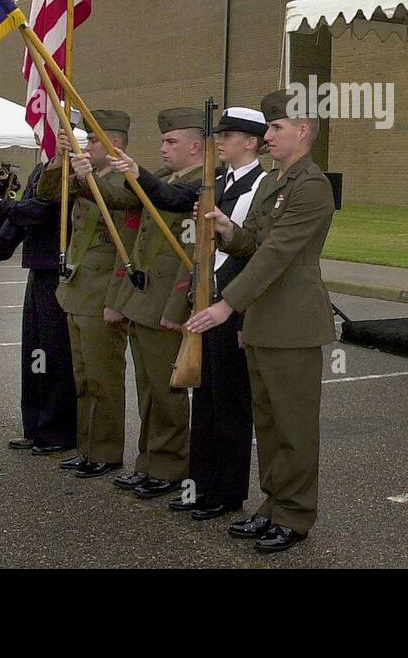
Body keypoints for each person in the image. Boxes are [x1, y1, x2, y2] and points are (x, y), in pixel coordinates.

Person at [187, 89, 335, 554]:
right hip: (265, 320)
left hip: (292, 323)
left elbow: (278, 254)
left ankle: (295, 513)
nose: (266, 136)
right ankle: (273, 505)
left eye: (275, 128)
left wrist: (227, 304)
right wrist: (229, 231)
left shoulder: (312, 185)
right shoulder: (277, 182)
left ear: (303, 130)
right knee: (268, 423)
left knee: (292, 425)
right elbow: (256, 241)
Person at [109, 106, 267, 522]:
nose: (221, 142)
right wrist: (136, 171)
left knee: (231, 407)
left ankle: (227, 493)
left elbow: (257, 248)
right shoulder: (216, 182)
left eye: (229, 135)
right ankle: (201, 485)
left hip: (233, 302)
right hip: (207, 299)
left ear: (250, 142)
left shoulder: (262, 186)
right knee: (207, 403)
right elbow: (173, 197)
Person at [99, 108, 204, 500]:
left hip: (165, 304)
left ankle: (171, 465)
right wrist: (86, 174)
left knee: (167, 390)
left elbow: (189, 251)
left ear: (195, 146)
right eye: (162, 140)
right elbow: (119, 204)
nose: (163, 147)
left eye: (171, 141)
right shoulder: (162, 178)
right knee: (146, 388)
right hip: (142, 301)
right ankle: (148, 461)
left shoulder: (199, 185)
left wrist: (177, 310)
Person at [36, 110, 137, 477]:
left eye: (92, 140)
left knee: (104, 377)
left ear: (115, 144)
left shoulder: (128, 180)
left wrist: (116, 299)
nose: (86, 144)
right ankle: (87, 445)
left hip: (102, 292)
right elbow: (47, 194)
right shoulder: (81, 174)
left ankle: (107, 451)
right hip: (78, 290)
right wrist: (59, 160)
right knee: (83, 376)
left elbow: (121, 215)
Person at [0, 160, 76, 454]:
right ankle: (36, 427)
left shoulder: (68, 166)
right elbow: (21, 218)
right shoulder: (42, 167)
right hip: (39, 268)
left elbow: (39, 211)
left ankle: (57, 431)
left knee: (54, 353)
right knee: (34, 352)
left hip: (58, 270)